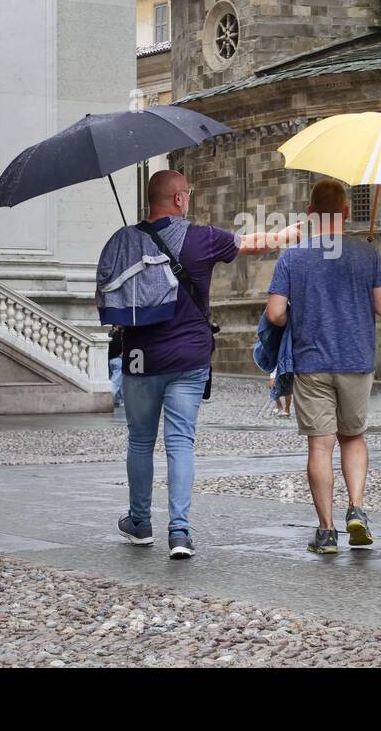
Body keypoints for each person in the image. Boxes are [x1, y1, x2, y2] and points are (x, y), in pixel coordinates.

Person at [108, 170, 299, 559]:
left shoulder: (126, 240)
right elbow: (249, 244)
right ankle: (179, 532)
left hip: (141, 357)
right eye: (188, 194)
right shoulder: (202, 238)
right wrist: (284, 237)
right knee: (181, 442)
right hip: (189, 357)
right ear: (179, 199)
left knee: (141, 441)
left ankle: (140, 522)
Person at [265, 179, 381, 554]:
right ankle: (356, 509)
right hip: (355, 360)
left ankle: (326, 532)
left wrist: (303, 308)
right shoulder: (365, 253)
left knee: (319, 446)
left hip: (311, 362)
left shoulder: (292, 257)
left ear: (309, 215)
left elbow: (275, 314)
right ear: (346, 212)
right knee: (352, 437)